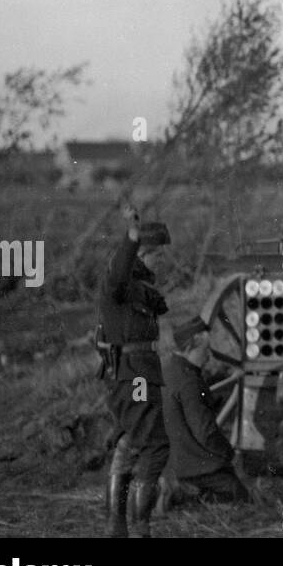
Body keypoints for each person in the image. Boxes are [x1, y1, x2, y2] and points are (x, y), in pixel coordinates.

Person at [97, 204, 172, 538]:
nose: (162, 261)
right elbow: (118, 272)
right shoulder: (121, 284)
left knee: (129, 442)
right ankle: (142, 527)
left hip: (136, 374)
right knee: (156, 445)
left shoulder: (140, 289)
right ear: (142, 253)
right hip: (135, 377)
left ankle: (118, 526)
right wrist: (130, 237)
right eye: (157, 255)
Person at [158, 316, 250, 512]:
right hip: (194, 466)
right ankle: (182, 494)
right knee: (241, 497)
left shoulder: (166, 368)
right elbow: (206, 433)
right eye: (205, 350)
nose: (208, 356)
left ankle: (179, 490)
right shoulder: (190, 381)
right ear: (193, 345)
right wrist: (230, 455)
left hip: (168, 463)